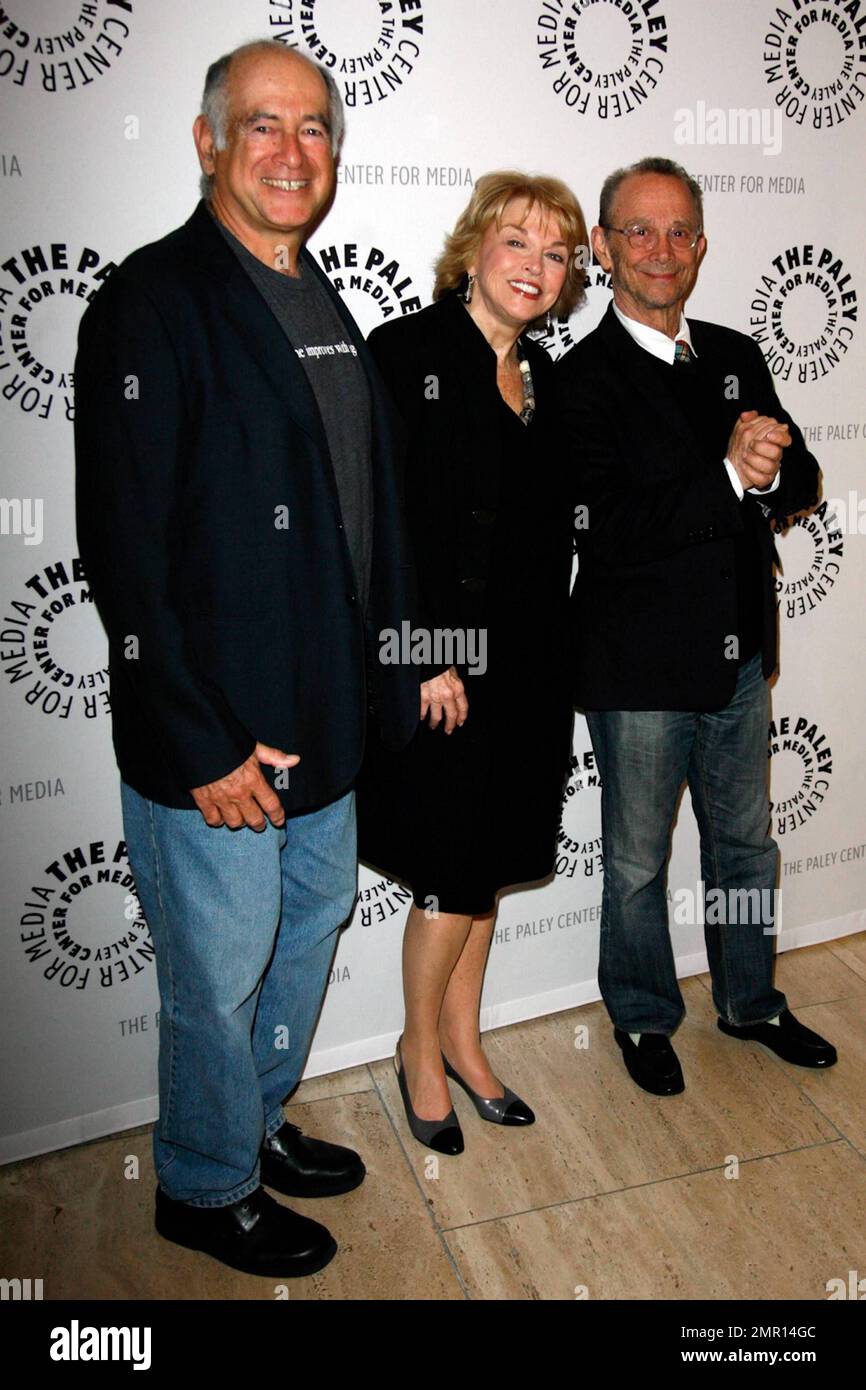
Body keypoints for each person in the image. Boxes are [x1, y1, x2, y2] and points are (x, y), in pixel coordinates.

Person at [74, 39, 462, 1278]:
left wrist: (404, 663)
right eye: (261, 127)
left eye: (312, 130)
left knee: (307, 930)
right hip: (222, 740)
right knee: (216, 973)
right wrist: (196, 740)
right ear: (206, 143)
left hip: (326, 720)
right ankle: (200, 1182)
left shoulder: (319, 299)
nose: (292, 153)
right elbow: (124, 554)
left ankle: (252, 1123)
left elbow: (372, 513)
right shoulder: (151, 300)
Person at [557, 155, 837, 1097]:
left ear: (703, 245)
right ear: (601, 248)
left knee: (746, 844)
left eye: (679, 231)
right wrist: (726, 475)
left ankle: (752, 1002)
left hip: (737, 657)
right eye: (638, 231)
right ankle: (641, 1015)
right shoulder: (577, 381)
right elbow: (605, 525)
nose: (661, 250)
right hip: (635, 671)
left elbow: (799, 480)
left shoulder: (733, 354)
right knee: (637, 863)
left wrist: (771, 473)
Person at [356, 172, 587, 1153]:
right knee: (450, 866)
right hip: (441, 664)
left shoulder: (545, 377)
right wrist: (424, 653)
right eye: (517, 242)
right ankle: (417, 1049)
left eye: (556, 252)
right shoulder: (405, 353)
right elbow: (374, 520)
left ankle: (464, 1037)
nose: (536, 266)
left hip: (529, 668)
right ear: (472, 250)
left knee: (487, 865)